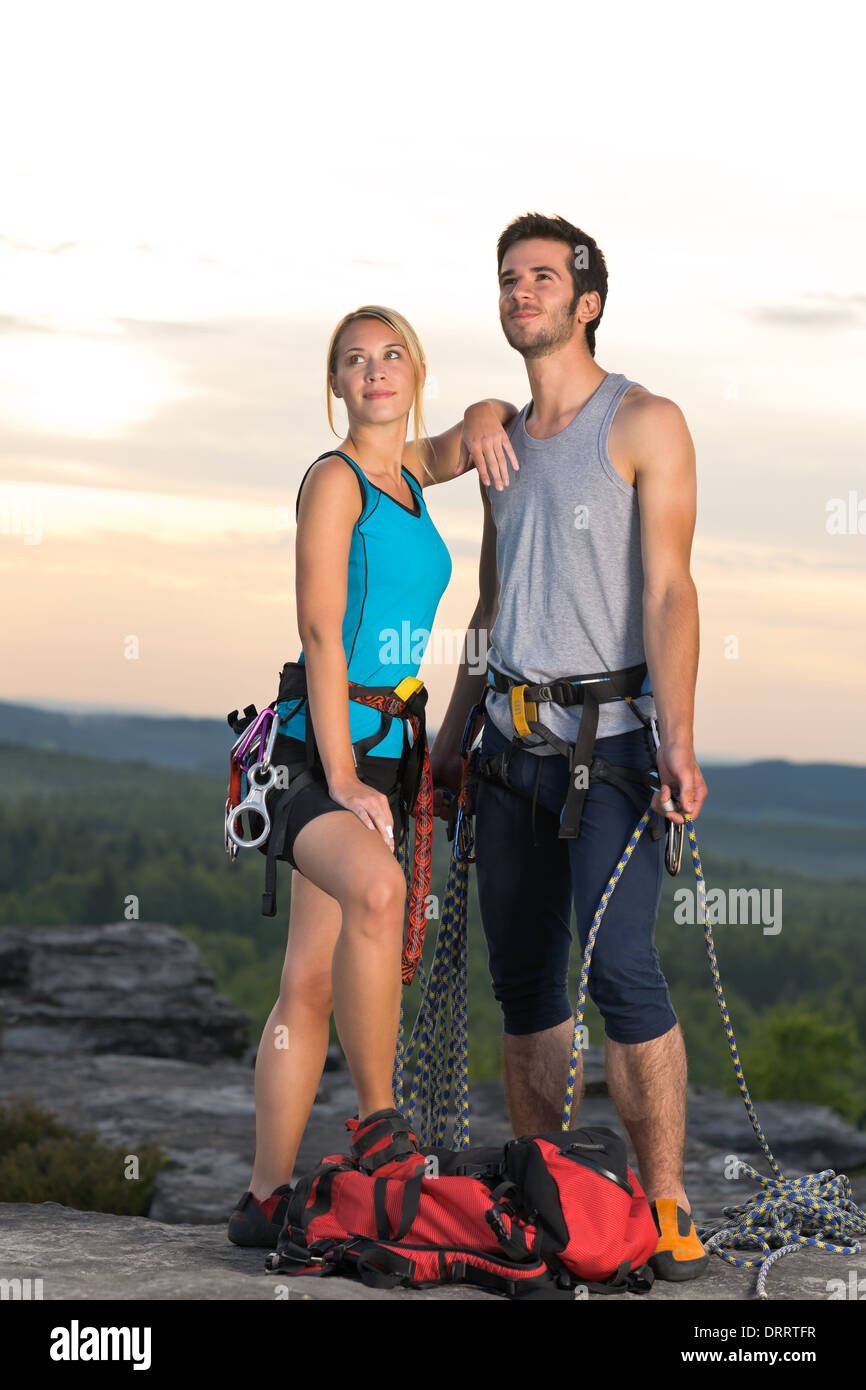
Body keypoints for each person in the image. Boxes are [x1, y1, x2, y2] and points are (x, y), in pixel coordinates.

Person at [430, 212, 710, 1281]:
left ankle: (667, 1200)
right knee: (524, 984)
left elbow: (671, 590)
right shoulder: (496, 441)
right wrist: (454, 739)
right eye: (507, 278)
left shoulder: (644, 422)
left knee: (624, 971)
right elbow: (492, 604)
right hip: (507, 750)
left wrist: (679, 736)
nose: (519, 292)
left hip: (618, 746)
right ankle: (546, 1186)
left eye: (541, 277)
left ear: (586, 300)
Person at [228, 304, 517, 1247]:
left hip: (390, 758)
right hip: (314, 753)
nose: (374, 370)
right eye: (355, 361)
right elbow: (319, 630)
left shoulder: (409, 477)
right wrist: (346, 778)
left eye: (391, 355)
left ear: (413, 372)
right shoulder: (336, 481)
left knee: (308, 984)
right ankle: (382, 1125)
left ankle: (265, 1198)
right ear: (336, 386)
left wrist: (483, 413)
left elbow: (472, 437)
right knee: (382, 889)